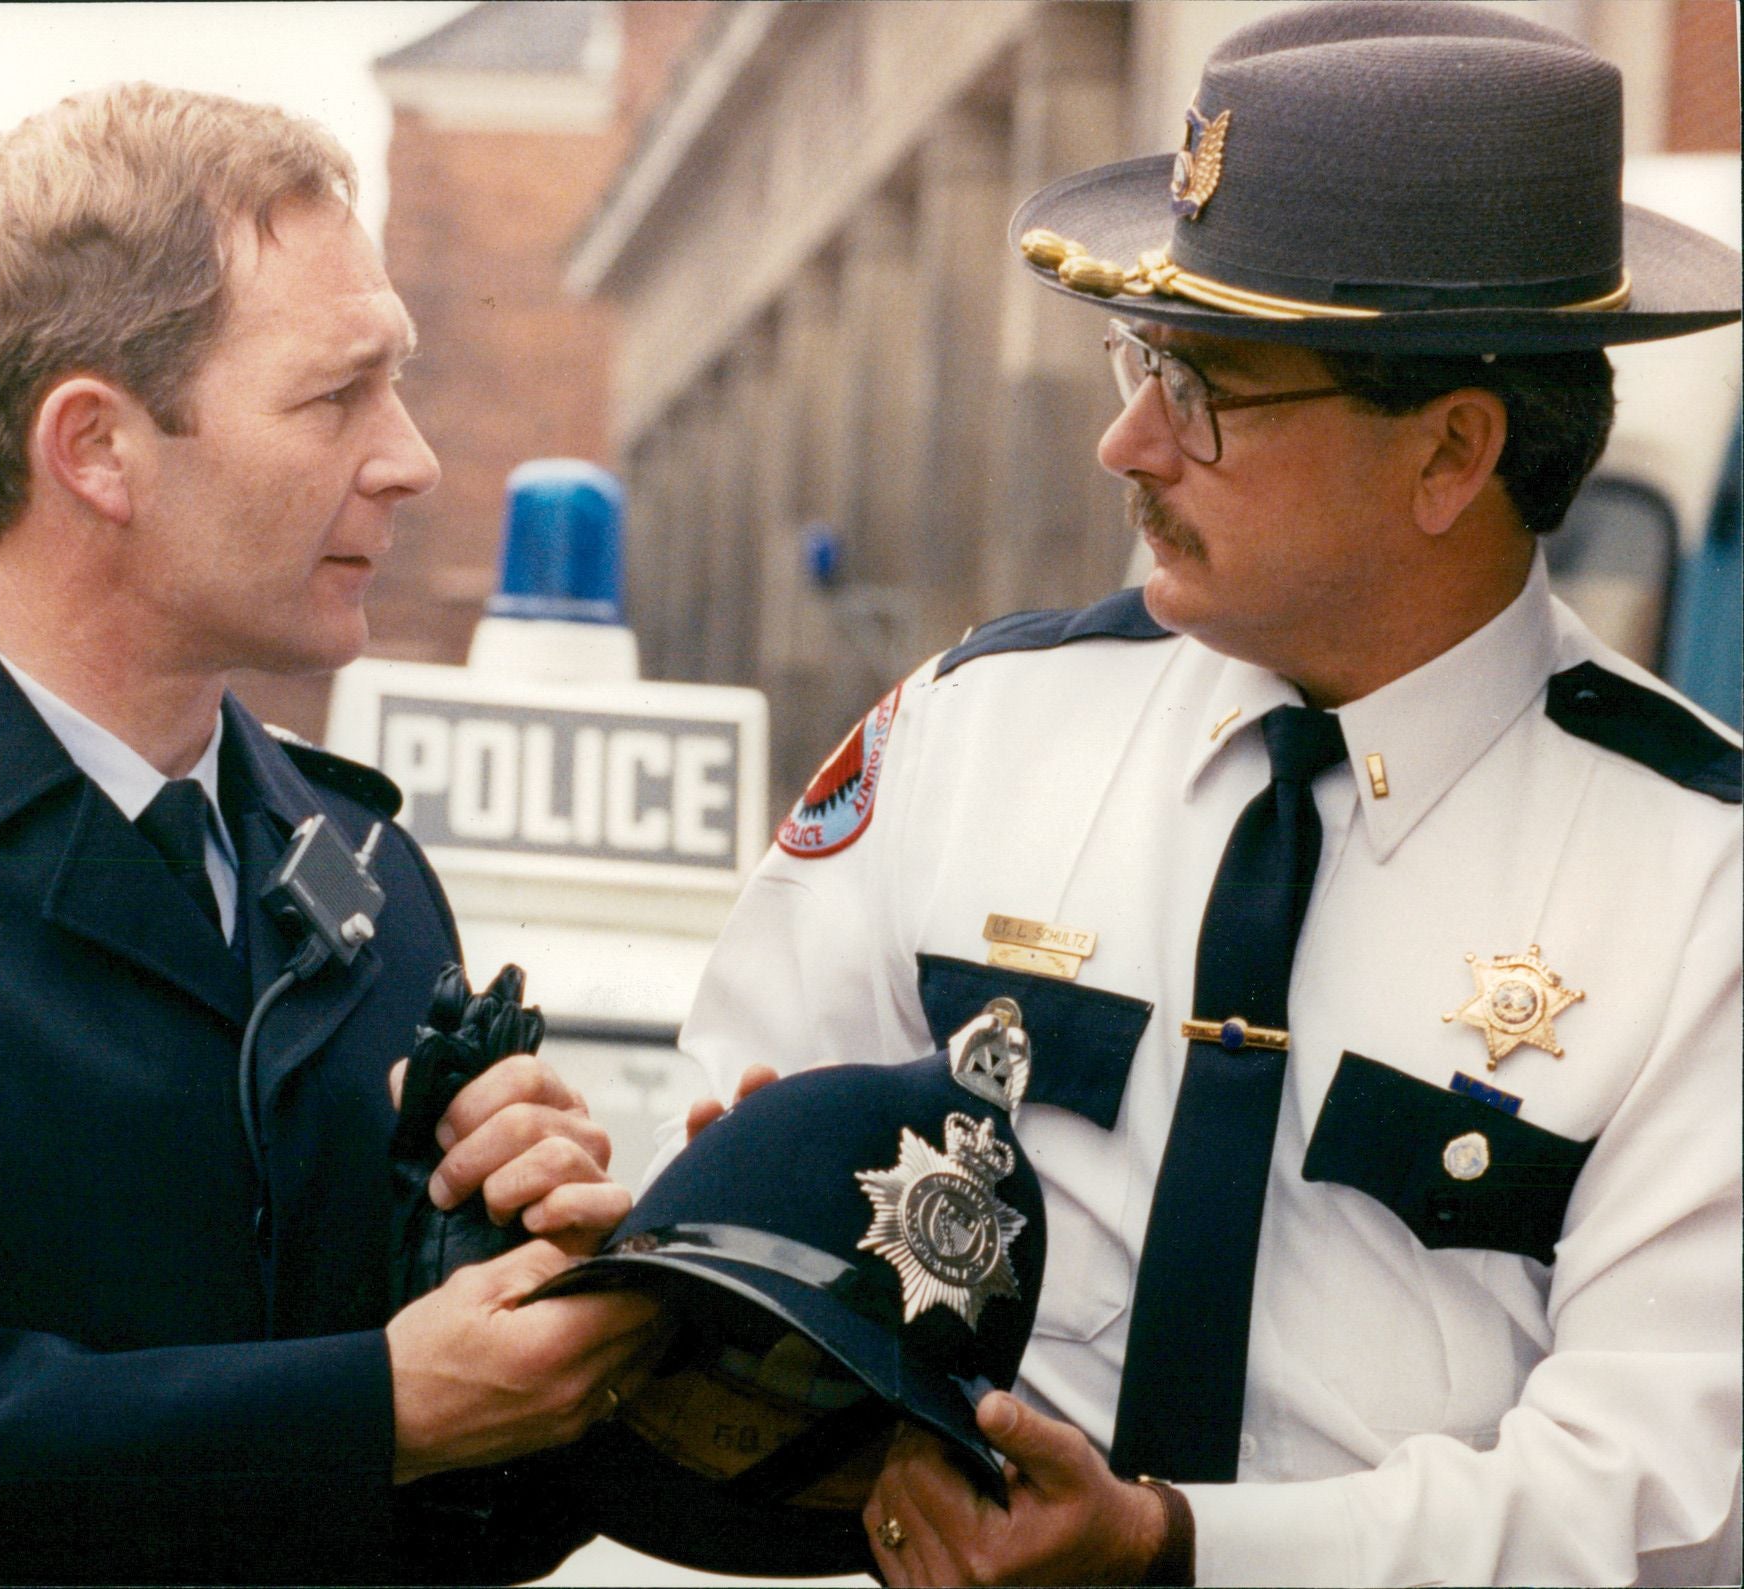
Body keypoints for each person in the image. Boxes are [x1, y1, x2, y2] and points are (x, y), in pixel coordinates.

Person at [676, 5, 1742, 1584]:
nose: (1128, 442)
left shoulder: (1697, 878)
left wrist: (1177, 1551)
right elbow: (735, 1173)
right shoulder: (980, 734)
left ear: (1451, 452)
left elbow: (1655, 1492)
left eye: (1208, 389)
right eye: (1139, 359)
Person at [0, 84, 653, 1585]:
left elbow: (453, 1524)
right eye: (334, 395)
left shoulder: (363, 878)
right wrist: (380, 1405)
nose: (412, 458)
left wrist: (547, 1299)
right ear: (96, 448)